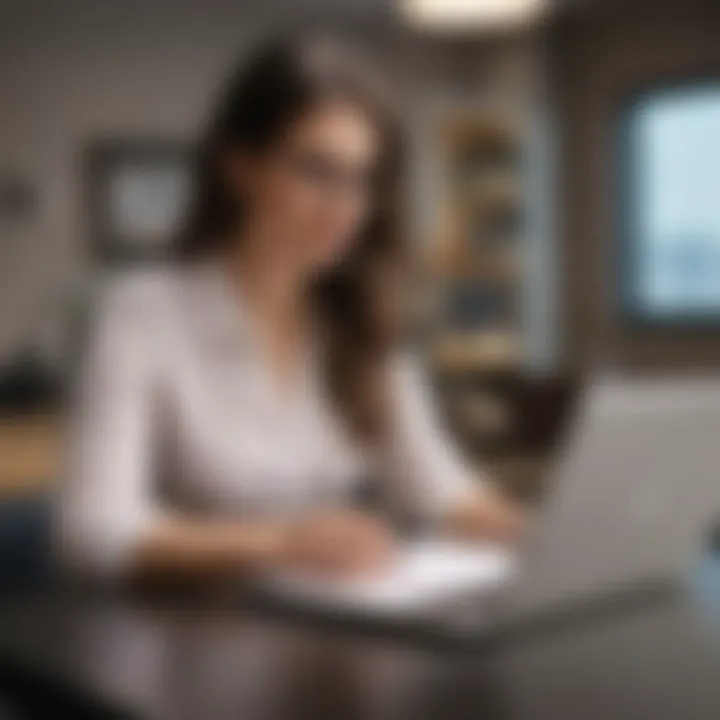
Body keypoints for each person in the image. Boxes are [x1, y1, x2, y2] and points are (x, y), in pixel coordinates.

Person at [58, 35, 523, 582]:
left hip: (326, 627)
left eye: (361, 179)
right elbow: (93, 532)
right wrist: (280, 543)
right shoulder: (144, 313)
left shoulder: (358, 322)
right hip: (189, 638)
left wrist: (548, 532)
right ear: (239, 168)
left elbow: (442, 491)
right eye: (316, 171)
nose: (345, 208)